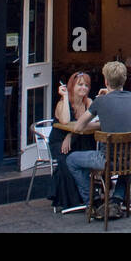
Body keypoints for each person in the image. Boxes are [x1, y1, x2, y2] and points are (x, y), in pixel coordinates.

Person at [65, 61, 131, 208]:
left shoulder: (100, 102)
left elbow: (79, 126)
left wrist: (101, 109)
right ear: (124, 79)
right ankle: (117, 199)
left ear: (105, 81)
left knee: (71, 160)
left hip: (107, 160)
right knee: (126, 156)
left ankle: (93, 201)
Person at [49, 71, 97, 210]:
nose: (83, 88)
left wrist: (71, 135)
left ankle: (84, 195)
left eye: (86, 85)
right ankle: (74, 200)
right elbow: (65, 121)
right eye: (80, 85)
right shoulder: (62, 104)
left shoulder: (89, 102)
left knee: (85, 153)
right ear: (71, 86)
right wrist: (64, 96)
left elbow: (90, 122)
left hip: (77, 139)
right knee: (66, 160)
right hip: (59, 141)